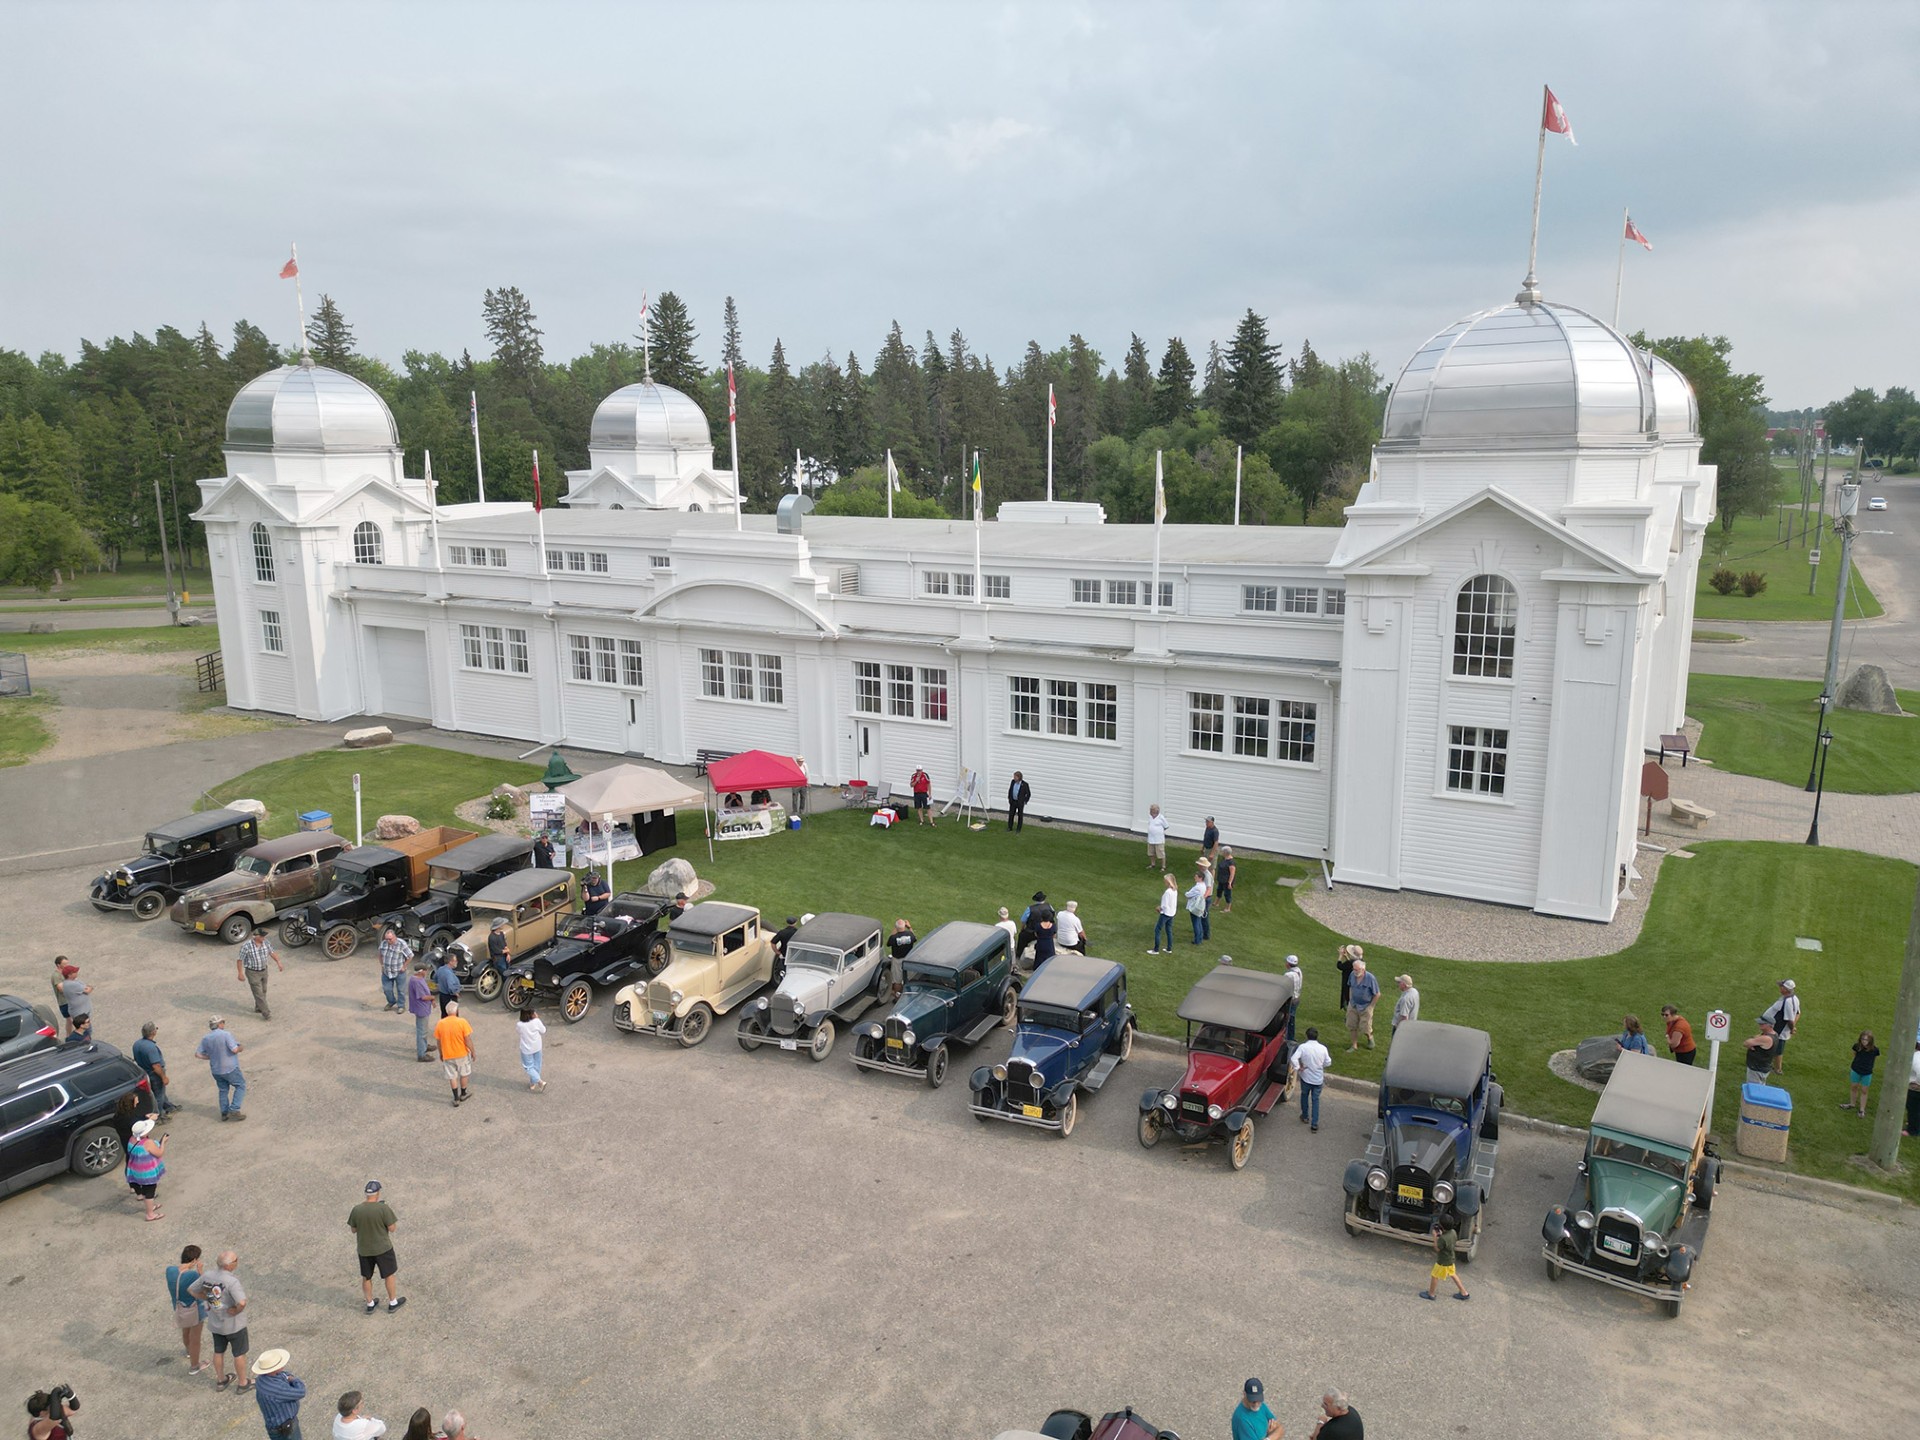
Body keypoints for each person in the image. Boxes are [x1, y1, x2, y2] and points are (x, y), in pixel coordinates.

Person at [190, 1250, 251, 1391]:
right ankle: (243, 1383)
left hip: (216, 1322)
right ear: (230, 1265)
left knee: (218, 1351)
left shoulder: (207, 1276)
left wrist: (207, 1298)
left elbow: (192, 1290)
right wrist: (235, 1310)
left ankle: (221, 1380)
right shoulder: (231, 1281)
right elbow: (241, 1302)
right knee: (239, 1353)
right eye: (236, 1260)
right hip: (234, 1324)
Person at [349, 1181, 405, 1313]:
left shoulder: (357, 1210)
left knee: (367, 1277)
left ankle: (369, 1303)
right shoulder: (383, 1209)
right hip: (383, 1248)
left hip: (364, 1249)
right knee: (389, 1275)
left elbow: (353, 1229)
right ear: (378, 1193)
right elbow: (392, 1228)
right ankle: (392, 1302)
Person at [167, 1243, 209, 1375]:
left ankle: (188, 1351)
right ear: (195, 1260)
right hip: (194, 1310)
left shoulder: (170, 1270)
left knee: (186, 1331)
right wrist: (201, 1272)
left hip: (179, 1308)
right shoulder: (192, 1275)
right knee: (195, 1338)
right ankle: (195, 1366)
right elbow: (207, 1289)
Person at [196, 1015, 247, 1121]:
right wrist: (240, 1048)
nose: (224, 1024)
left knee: (223, 1090)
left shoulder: (206, 1038)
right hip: (230, 1067)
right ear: (219, 1024)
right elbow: (234, 1049)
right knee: (240, 1085)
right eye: (223, 1022)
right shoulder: (226, 1035)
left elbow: (198, 1054)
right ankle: (234, 1109)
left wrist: (212, 1057)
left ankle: (224, 1113)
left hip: (216, 1070)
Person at [253, 1349, 307, 1440]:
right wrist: (293, 1380)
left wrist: (287, 1376)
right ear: (275, 1369)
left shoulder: (260, 1380)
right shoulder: (277, 1388)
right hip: (285, 1427)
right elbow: (301, 1391)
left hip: (273, 1425)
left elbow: (283, 1374)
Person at [237, 926, 284, 1022]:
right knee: (258, 993)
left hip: (264, 970)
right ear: (255, 936)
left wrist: (278, 962)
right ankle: (266, 1013)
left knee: (263, 990)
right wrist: (240, 973)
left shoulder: (266, 943)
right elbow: (239, 960)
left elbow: (271, 952)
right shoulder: (246, 946)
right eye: (262, 936)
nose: (264, 938)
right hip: (252, 972)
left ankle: (258, 1007)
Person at [133, 1020, 180, 1116]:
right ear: (153, 1032)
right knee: (159, 1095)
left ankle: (168, 1106)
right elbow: (156, 1066)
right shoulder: (151, 1047)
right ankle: (159, 1115)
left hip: (145, 1073)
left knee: (160, 1092)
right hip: (155, 1074)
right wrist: (164, 1077)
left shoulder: (137, 1044)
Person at [126, 1116, 167, 1221]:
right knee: (149, 1192)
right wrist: (163, 1143)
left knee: (145, 1190)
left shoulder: (131, 1139)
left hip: (136, 1170)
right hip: (147, 1173)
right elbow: (159, 1153)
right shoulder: (148, 1143)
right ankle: (150, 1214)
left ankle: (150, 1206)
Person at [1292, 1025, 1332, 1132]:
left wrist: (1298, 1068)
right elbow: (1328, 1062)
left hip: (1306, 1077)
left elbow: (1293, 1058)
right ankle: (1314, 1124)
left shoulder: (1303, 1047)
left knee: (1304, 1096)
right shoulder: (1323, 1049)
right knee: (1315, 1100)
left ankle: (1305, 1116)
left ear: (1307, 1036)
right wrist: (1320, 1066)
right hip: (1318, 1079)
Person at [434, 1002, 475, 1106]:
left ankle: (456, 1098)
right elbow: (467, 1039)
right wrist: (473, 1052)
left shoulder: (440, 1023)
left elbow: (438, 1041)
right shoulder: (462, 1022)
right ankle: (463, 1093)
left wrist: (441, 1053)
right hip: (462, 1053)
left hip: (448, 1054)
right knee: (464, 1074)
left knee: (452, 1076)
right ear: (456, 1011)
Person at [1421, 1222, 1470, 1301]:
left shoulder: (1442, 1239)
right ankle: (1464, 1292)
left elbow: (1437, 1248)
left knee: (1435, 1275)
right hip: (1450, 1258)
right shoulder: (1453, 1232)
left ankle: (1431, 1294)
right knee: (1453, 1274)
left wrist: (1435, 1237)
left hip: (1442, 1261)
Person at [1762, 980, 1800, 1074]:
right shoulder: (1794, 998)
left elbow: (1789, 1019)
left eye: (1781, 986)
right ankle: (1766, 1063)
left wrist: (1792, 1028)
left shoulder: (1788, 1002)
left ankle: (1778, 1069)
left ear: (1786, 989)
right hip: (1775, 1027)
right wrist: (1793, 1027)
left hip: (1779, 1029)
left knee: (1777, 1049)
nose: (1780, 988)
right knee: (1769, 1045)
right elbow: (1798, 1013)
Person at [375, 927, 411, 1013]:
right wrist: (382, 965)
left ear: (394, 937)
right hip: (386, 972)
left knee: (401, 990)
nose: (388, 941)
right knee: (387, 990)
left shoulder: (401, 944)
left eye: (390, 939)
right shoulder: (383, 944)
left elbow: (410, 956)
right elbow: (380, 955)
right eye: (386, 939)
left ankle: (401, 1006)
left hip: (399, 972)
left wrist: (404, 966)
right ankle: (391, 1002)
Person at [1346, 961, 1380, 1051]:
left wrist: (1371, 1007)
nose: (1355, 971)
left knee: (1365, 1027)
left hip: (1365, 1006)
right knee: (1352, 1026)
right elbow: (1350, 987)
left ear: (1363, 969)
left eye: (1357, 970)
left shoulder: (1370, 978)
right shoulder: (1352, 975)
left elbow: (1377, 994)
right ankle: (1354, 1045)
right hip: (1353, 1005)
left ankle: (1369, 1037)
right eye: (1354, 969)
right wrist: (1350, 1000)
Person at [1846, 1031, 1879, 1117]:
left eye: (1866, 1040)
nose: (1864, 1041)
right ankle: (1852, 1104)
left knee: (1864, 1090)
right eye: (1862, 1039)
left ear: (1870, 1041)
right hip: (1856, 1070)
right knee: (1854, 1087)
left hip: (1867, 1073)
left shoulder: (1875, 1050)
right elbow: (1855, 1055)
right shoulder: (1857, 1046)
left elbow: (1873, 1059)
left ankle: (1862, 1109)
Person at [407, 964, 435, 1062]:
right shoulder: (417, 982)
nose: (427, 972)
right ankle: (421, 1054)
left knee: (424, 1030)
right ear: (421, 971)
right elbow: (422, 997)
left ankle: (424, 1046)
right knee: (422, 1032)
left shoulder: (418, 979)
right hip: (421, 1009)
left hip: (423, 1008)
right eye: (426, 970)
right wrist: (432, 998)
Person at [57, 962, 92, 1040]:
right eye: (74, 972)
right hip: (80, 1013)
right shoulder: (72, 984)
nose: (77, 972)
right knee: (86, 1031)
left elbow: (86, 987)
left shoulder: (73, 981)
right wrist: (89, 987)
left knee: (87, 1030)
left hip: (81, 1011)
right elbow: (88, 989)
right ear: (69, 975)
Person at [1742, 1019, 1781, 1085]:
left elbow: (1746, 1043)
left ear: (1770, 1026)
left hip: (1757, 1069)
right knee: (1759, 1088)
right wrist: (1755, 1040)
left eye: (1762, 1024)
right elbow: (1754, 1039)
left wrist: (1753, 1041)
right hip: (1763, 1067)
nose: (1759, 1024)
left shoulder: (1766, 1038)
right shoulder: (1774, 1034)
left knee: (1753, 1090)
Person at [517, 1007, 547, 1092]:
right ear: (532, 1014)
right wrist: (537, 1019)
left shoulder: (520, 1024)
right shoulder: (536, 1022)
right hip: (537, 1047)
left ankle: (539, 1081)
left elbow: (518, 1032)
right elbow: (544, 1031)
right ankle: (533, 1083)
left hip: (526, 1049)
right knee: (537, 1065)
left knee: (528, 1067)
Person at [1026, 892, 1057, 964]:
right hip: (1049, 944)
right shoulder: (1049, 906)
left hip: (1038, 940)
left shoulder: (1030, 909)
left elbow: (1036, 933)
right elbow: (1054, 934)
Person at [1151, 874, 1177, 954]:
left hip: (1165, 913)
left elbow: (1164, 905)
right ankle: (1169, 948)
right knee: (1169, 930)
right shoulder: (1175, 890)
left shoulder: (1167, 892)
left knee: (1157, 929)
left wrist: (1159, 908)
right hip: (1172, 913)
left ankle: (1156, 950)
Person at [1282, 954, 1304, 1042]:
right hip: (1297, 997)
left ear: (1288, 963)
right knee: (1291, 1018)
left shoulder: (1289, 975)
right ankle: (1290, 1037)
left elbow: (1283, 986)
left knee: (1288, 1018)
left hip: (1291, 999)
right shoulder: (1299, 971)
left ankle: (1288, 1037)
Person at [1184, 873, 1209, 945]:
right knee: (1199, 922)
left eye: (1196, 877)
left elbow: (1188, 895)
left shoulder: (1197, 887)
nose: (1195, 878)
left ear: (1200, 878)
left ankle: (1197, 940)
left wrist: (1187, 893)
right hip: (1200, 906)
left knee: (1196, 923)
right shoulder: (1203, 885)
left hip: (1195, 906)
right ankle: (1200, 938)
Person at [485, 918, 510, 988]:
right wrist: (507, 951)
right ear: (499, 926)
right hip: (498, 959)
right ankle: (507, 987)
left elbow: (504, 945)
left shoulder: (501, 934)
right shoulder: (492, 937)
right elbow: (496, 951)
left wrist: (508, 954)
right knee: (505, 973)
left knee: (508, 971)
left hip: (504, 956)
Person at [1336, 943, 1362, 1010]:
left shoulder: (1350, 963)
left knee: (1347, 998)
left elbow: (1340, 966)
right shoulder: (1361, 962)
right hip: (1356, 984)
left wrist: (1340, 956)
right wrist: (1346, 957)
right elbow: (1351, 965)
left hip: (1348, 983)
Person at [1145, 804, 1166, 870]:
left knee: (1161, 853)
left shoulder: (1161, 818)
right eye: (1151, 810)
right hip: (1151, 838)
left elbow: (1166, 826)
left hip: (1159, 839)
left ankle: (1163, 866)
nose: (1151, 812)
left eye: (1152, 810)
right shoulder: (1150, 817)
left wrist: (1158, 831)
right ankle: (1152, 864)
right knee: (1151, 852)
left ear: (1156, 811)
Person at [1216, 847, 1236, 913]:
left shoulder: (1231, 862)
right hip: (1221, 879)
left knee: (1227, 894)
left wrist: (1230, 882)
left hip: (1227, 881)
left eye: (1222, 852)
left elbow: (1232, 873)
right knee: (1219, 890)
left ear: (1225, 853)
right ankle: (1217, 902)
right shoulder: (1224, 859)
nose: (1222, 853)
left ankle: (1228, 908)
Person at [1906, 1041, 1920, 1138]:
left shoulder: (1915, 1058)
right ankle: (1914, 1124)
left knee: (1913, 1108)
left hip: (1915, 1089)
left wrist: (1918, 1084)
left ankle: (1913, 1130)